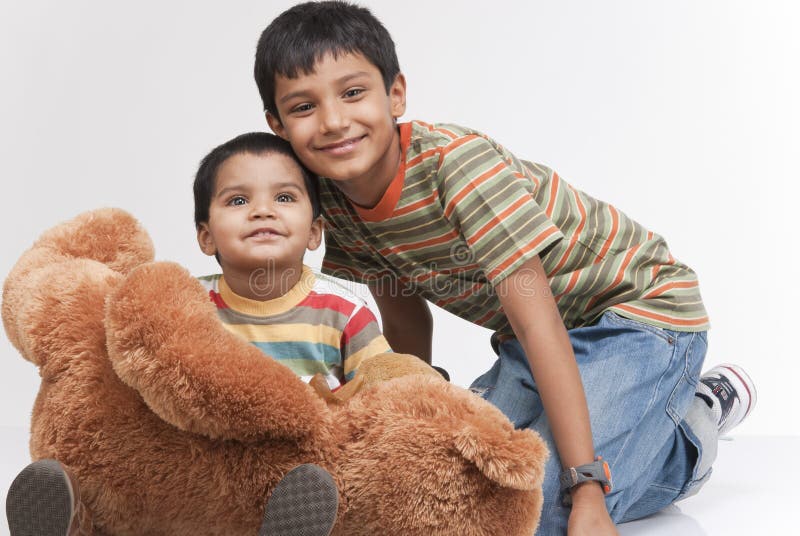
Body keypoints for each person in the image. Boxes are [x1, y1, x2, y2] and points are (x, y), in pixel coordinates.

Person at [252, 2, 757, 535]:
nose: (334, 121)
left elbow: (541, 324)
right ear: (277, 125)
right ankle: (640, 423)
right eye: (304, 106)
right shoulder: (337, 205)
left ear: (395, 93)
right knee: (453, 474)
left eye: (353, 93)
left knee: (535, 509)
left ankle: (692, 426)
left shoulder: (457, 168)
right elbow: (405, 323)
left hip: (640, 318)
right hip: (535, 342)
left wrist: (587, 486)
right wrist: (409, 421)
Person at [6, 133, 369, 536]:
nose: (262, 211)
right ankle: (78, 519)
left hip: (287, 474)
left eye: (284, 198)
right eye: (238, 201)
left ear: (316, 230)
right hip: (203, 474)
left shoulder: (344, 312)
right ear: (206, 236)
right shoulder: (188, 300)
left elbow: (378, 393)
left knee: (320, 487)